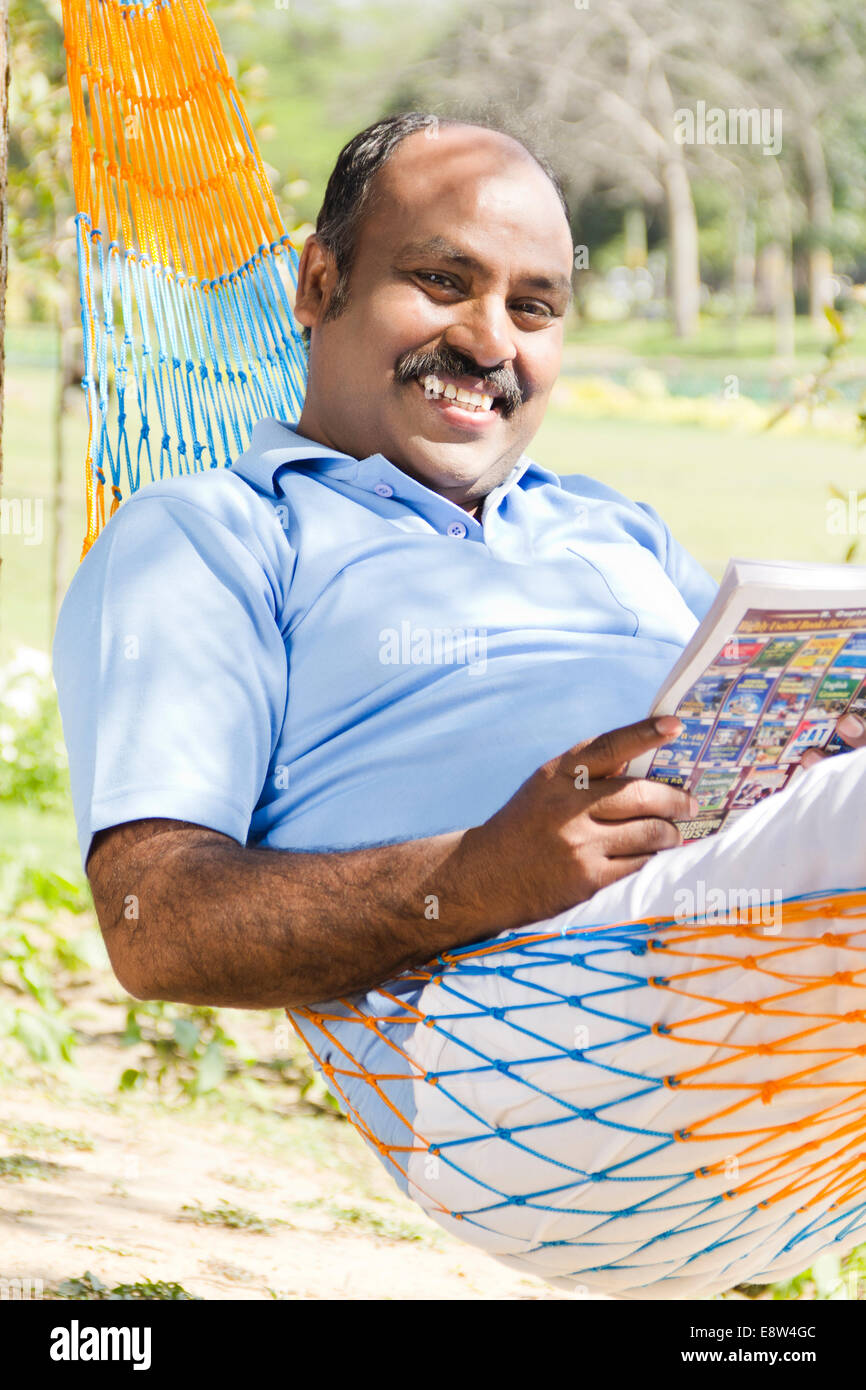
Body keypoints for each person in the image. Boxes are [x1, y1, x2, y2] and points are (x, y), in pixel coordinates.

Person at [52, 113, 866, 1298]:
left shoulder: (609, 525)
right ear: (319, 282)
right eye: (442, 282)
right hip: (533, 1039)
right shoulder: (213, 536)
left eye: (532, 308)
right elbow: (150, 920)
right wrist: (480, 872)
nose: (488, 340)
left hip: (770, 957)